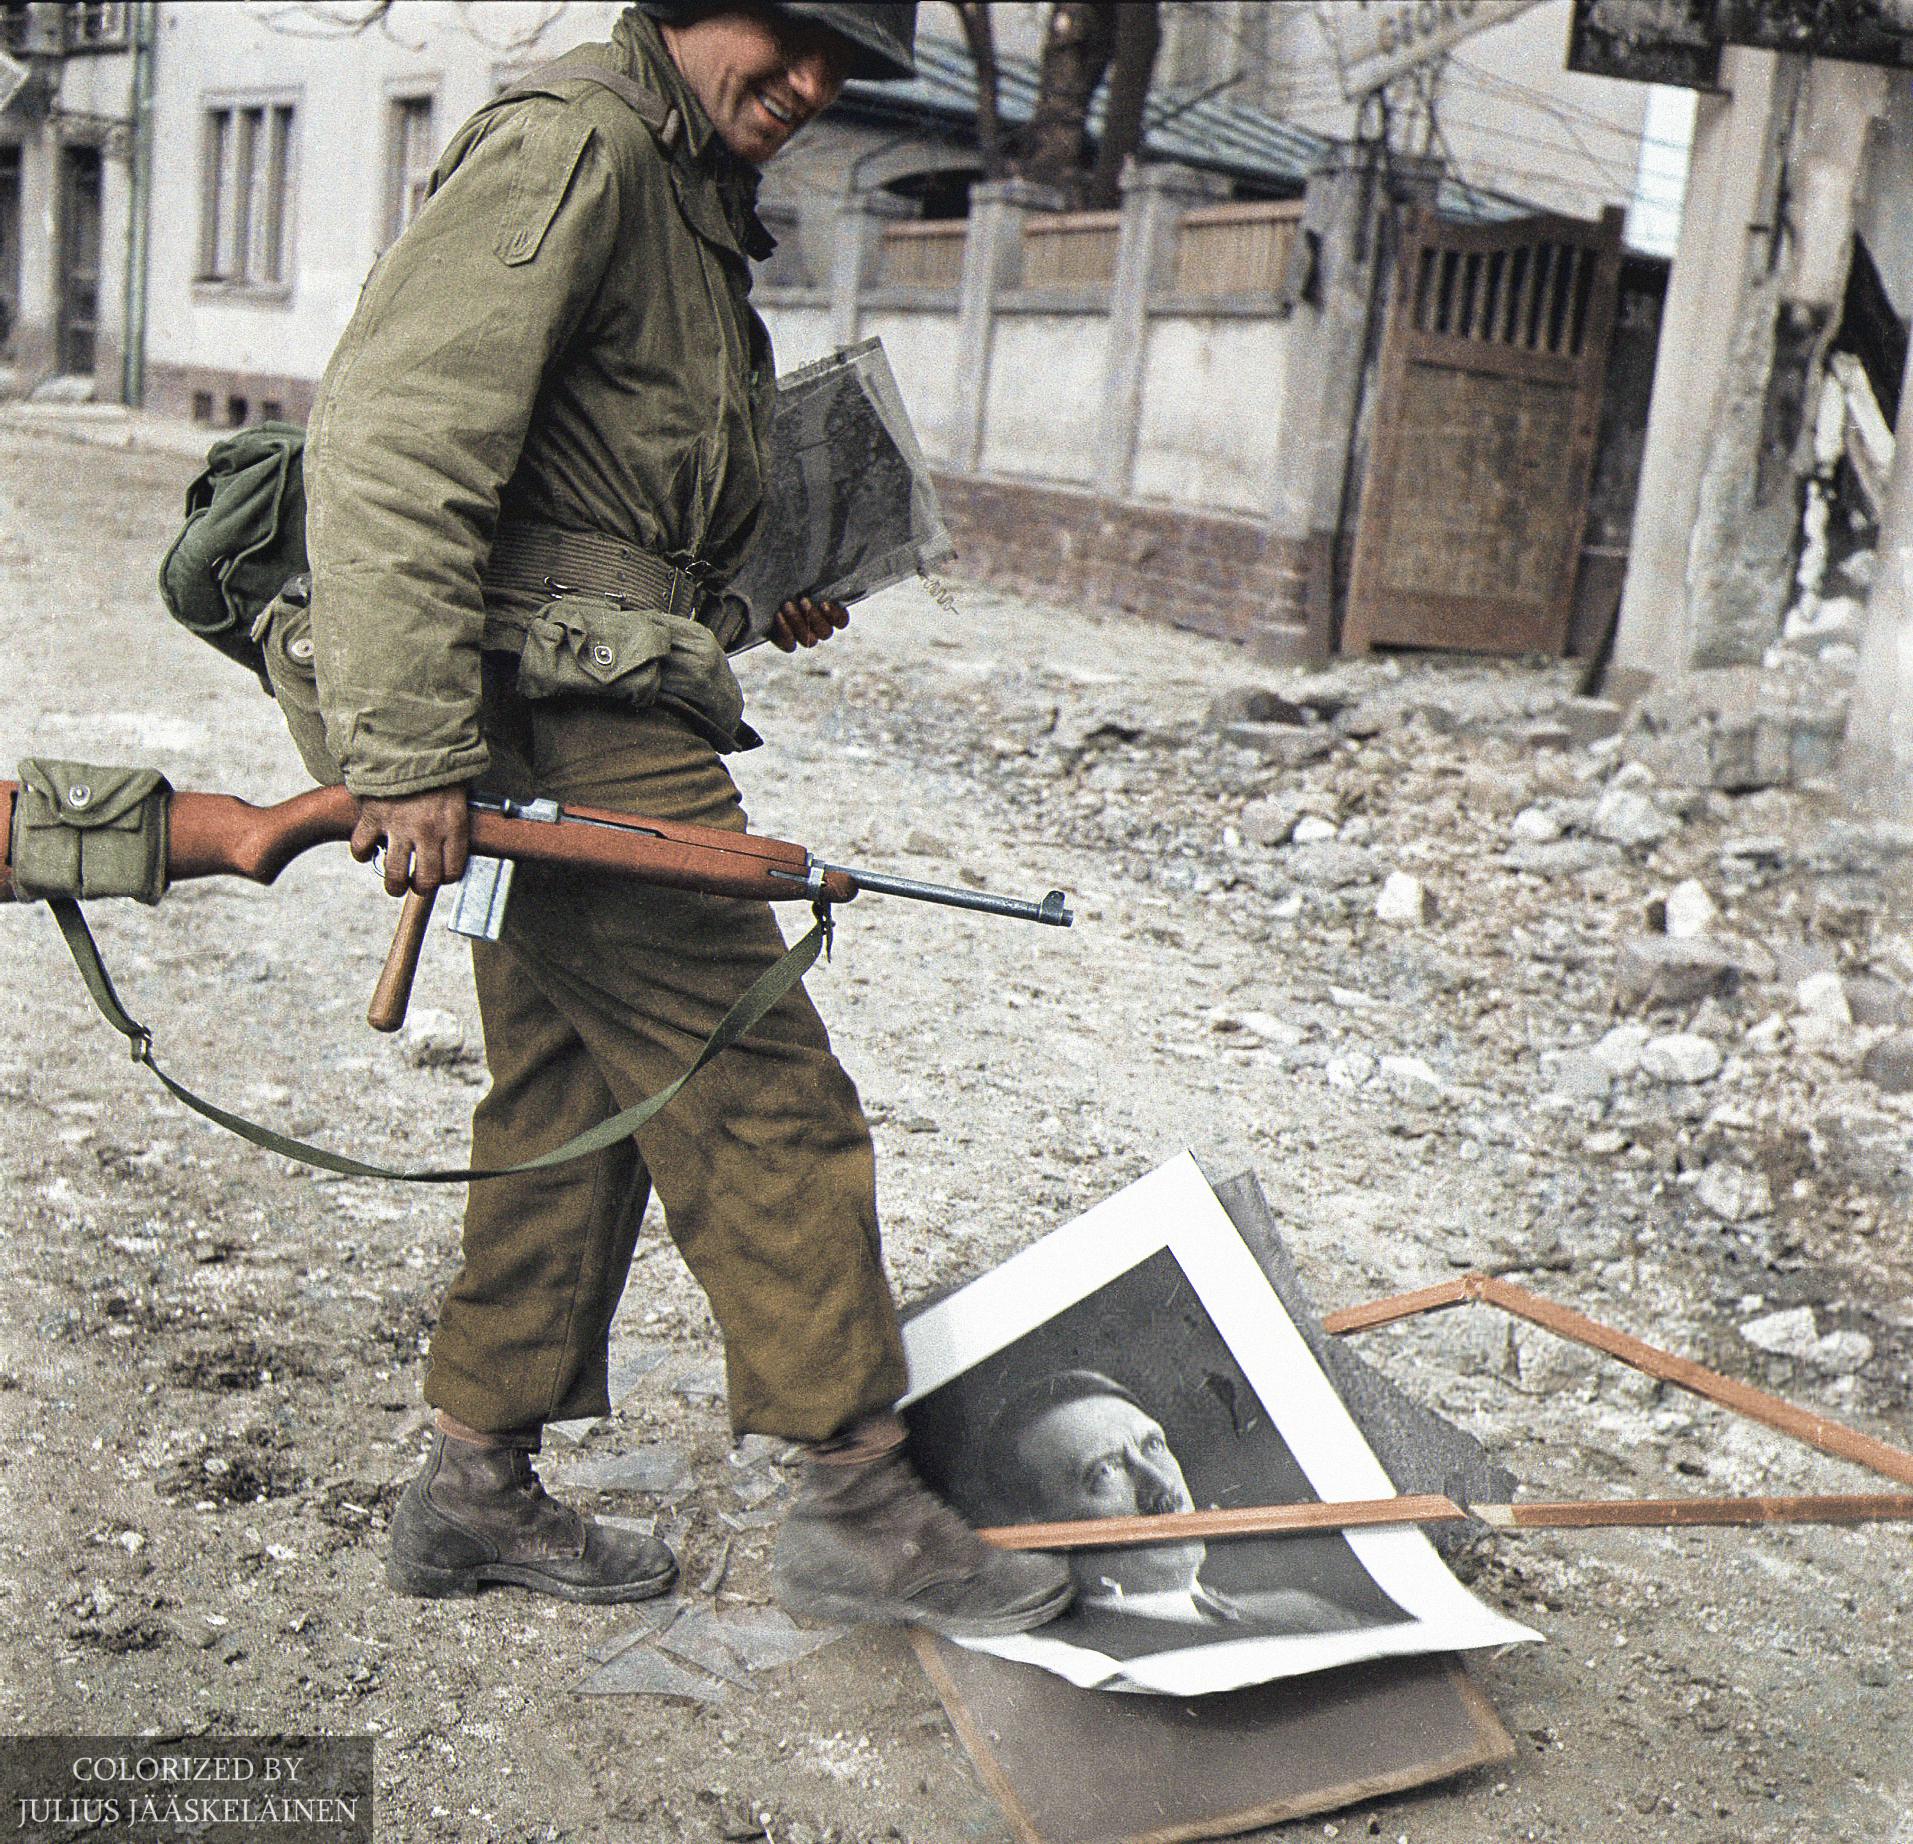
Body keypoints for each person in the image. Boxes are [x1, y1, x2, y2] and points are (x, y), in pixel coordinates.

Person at [291, 0, 1070, 1638]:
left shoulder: (683, 186)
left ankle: (471, 1480)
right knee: (758, 1081)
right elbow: (393, 441)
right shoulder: (577, 146)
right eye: (789, 34)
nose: (811, 85)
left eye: (844, 66)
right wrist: (410, 745)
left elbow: (599, 497)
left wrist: (739, 589)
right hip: (558, 721)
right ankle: (860, 1502)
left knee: (581, 1091)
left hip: (597, 690)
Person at [982, 1370, 1374, 1659]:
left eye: (1153, 1445)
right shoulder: (1092, 1662)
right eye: (1105, 1470)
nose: (1163, 1486)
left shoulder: (1301, 1608)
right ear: (1044, 1531)